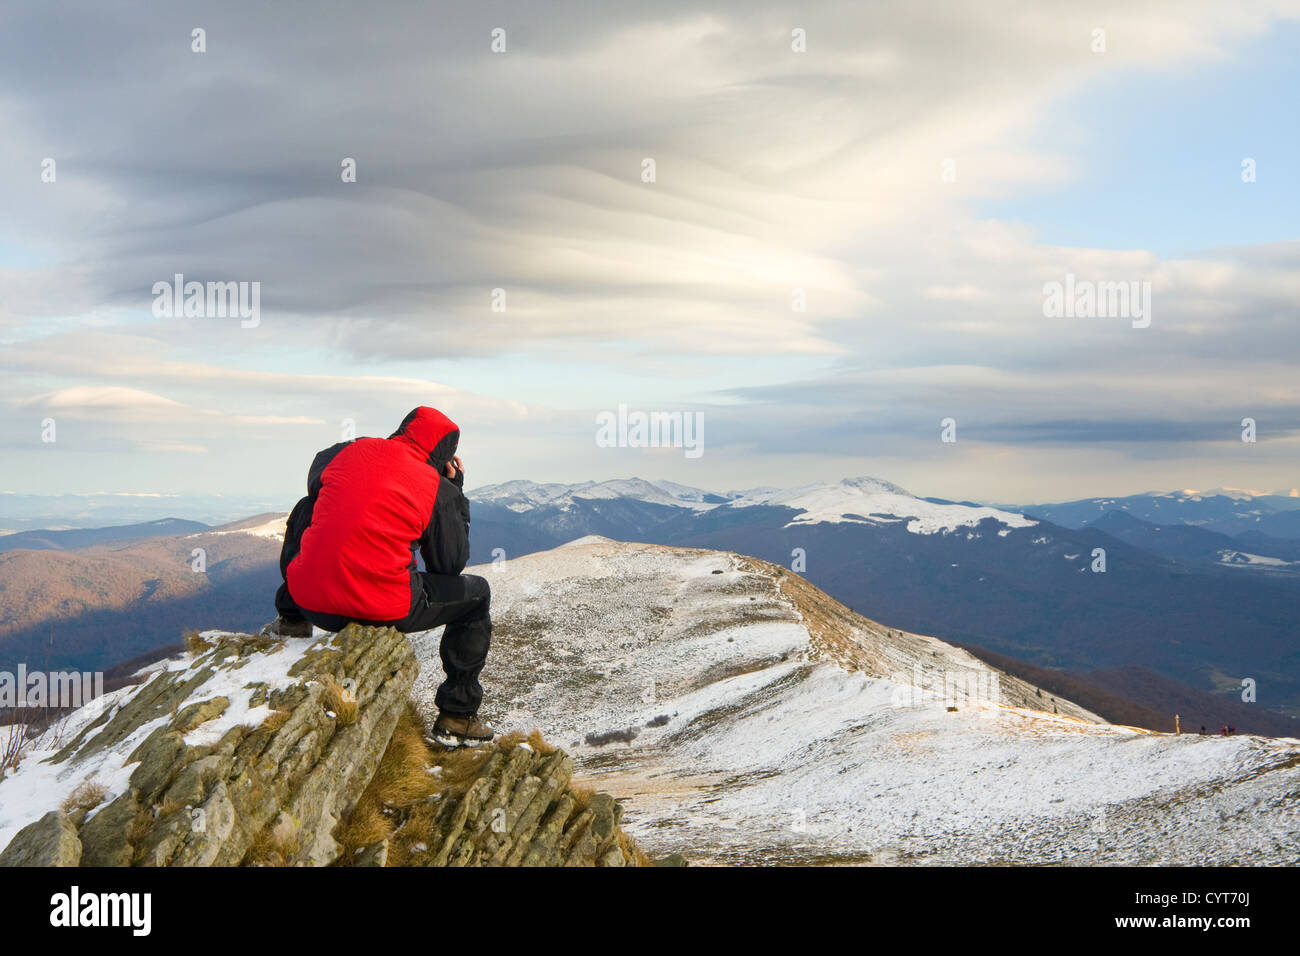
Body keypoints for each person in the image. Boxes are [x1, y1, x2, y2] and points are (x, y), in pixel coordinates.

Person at [264, 406, 493, 748]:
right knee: (478, 596)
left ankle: (291, 620)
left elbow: (316, 480)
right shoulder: (437, 488)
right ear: (446, 455)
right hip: (388, 608)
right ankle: (457, 717)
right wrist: (453, 492)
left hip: (312, 603)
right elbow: (449, 565)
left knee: (307, 506)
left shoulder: (348, 451)